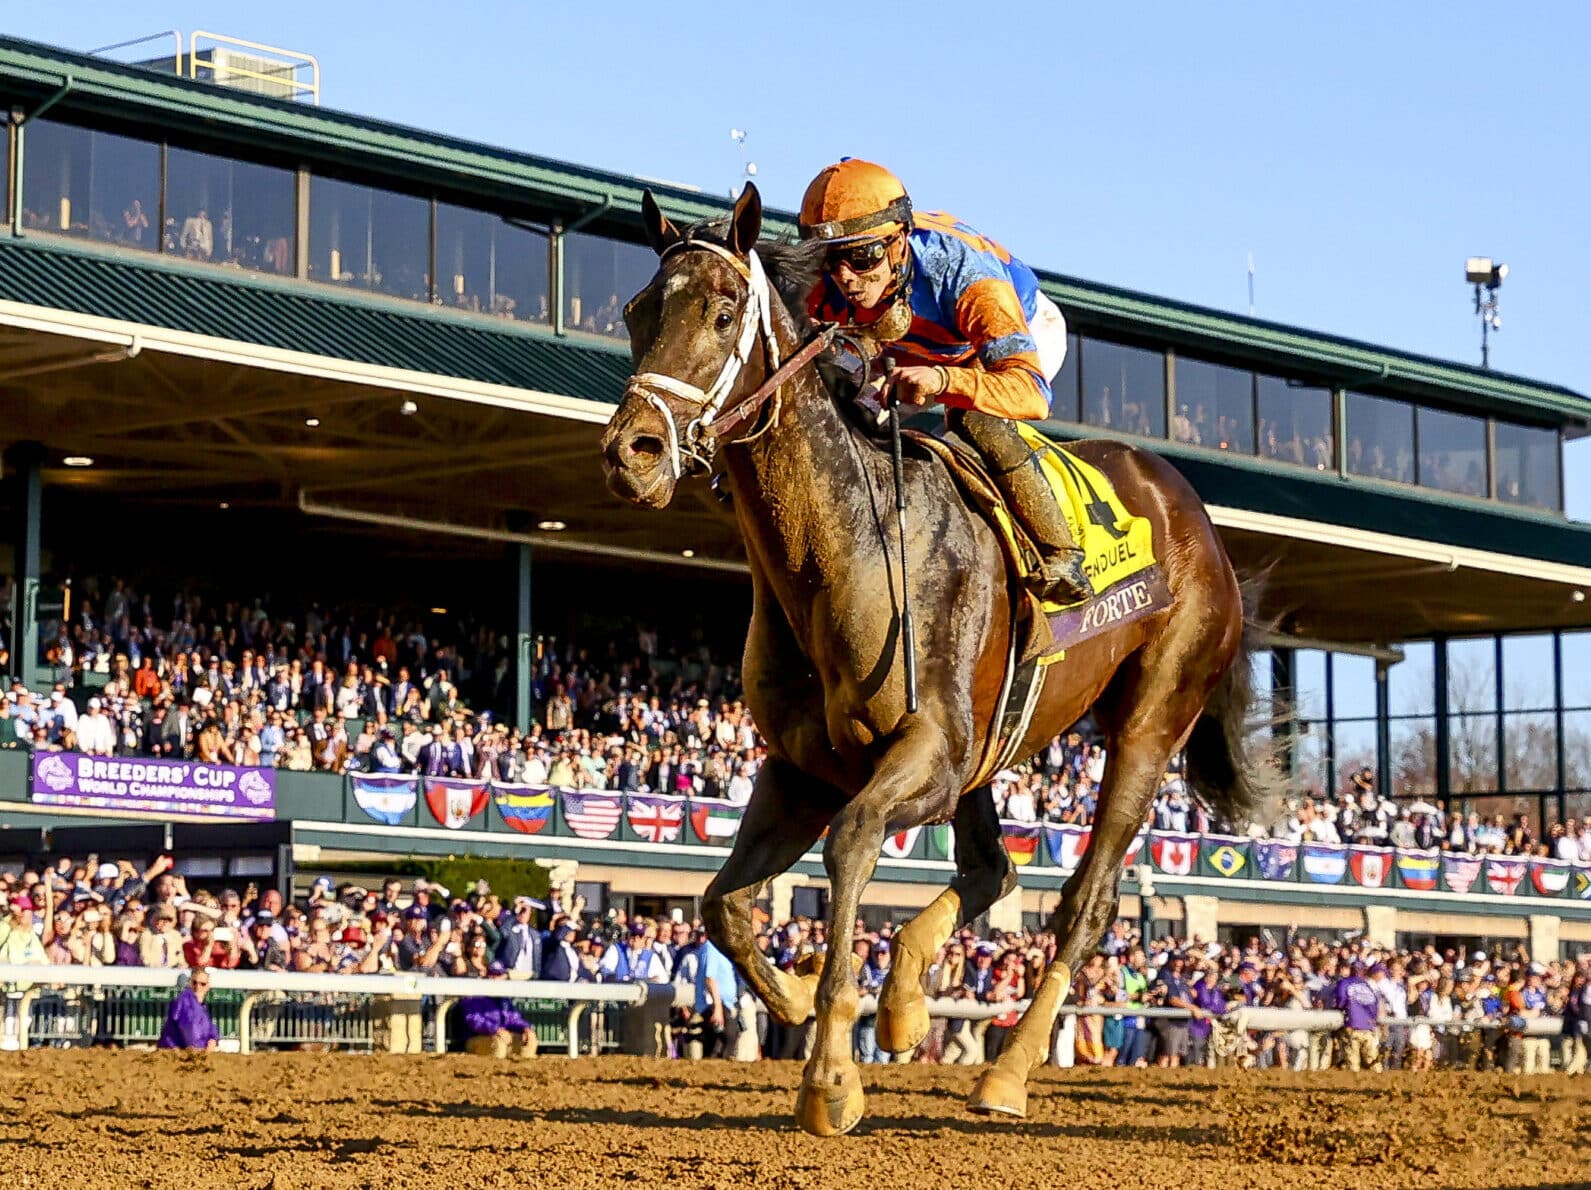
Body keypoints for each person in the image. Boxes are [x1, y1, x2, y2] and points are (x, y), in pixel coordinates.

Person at [798, 157, 1089, 604]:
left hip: (1016, 335)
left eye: (862, 257)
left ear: (899, 242)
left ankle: (1061, 553)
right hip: (910, 345)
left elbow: (1031, 394)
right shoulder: (828, 284)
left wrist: (940, 379)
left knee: (976, 423)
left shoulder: (965, 276)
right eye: (829, 261)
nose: (845, 278)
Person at [459, 962, 538, 1059]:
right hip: (477, 1038)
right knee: (498, 1043)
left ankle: (523, 1070)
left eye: (498, 975)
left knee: (530, 1039)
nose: (494, 978)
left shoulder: (503, 998)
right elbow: (474, 1020)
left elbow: (513, 1018)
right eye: (491, 974)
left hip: (503, 1036)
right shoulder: (474, 995)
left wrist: (525, 1028)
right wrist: (495, 1030)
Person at [158, 970, 220, 1050]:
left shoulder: (201, 1006)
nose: (198, 987)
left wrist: (213, 1038)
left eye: (202, 984)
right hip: (176, 1052)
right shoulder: (185, 1001)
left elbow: (208, 1027)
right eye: (195, 983)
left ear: (208, 986)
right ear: (190, 983)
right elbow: (190, 1028)